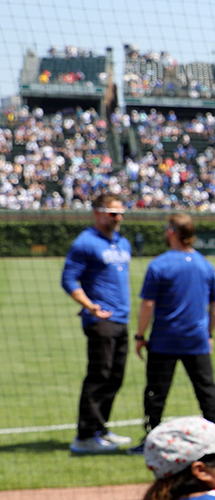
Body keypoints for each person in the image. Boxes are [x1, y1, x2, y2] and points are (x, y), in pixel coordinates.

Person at [135, 212, 215, 435]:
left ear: (172, 233)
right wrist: (209, 334)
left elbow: (147, 305)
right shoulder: (205, 265)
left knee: (156, 392)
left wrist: (140, 335)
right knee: (206, 390)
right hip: (196, 339)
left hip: (164, 340)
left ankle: (151, 437)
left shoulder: (159, 264)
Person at [62, 193, 134, 454]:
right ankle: (84, 437)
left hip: (122, 318)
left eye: (121, 213)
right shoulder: (85, 242)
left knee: (115, 377)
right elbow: (68, 279)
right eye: (112, 213)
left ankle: (100, 430)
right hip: (100, 319)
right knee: (99, 375)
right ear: (97, 213)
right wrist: (89, 305)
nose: (118, 218)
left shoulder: (122, 242)